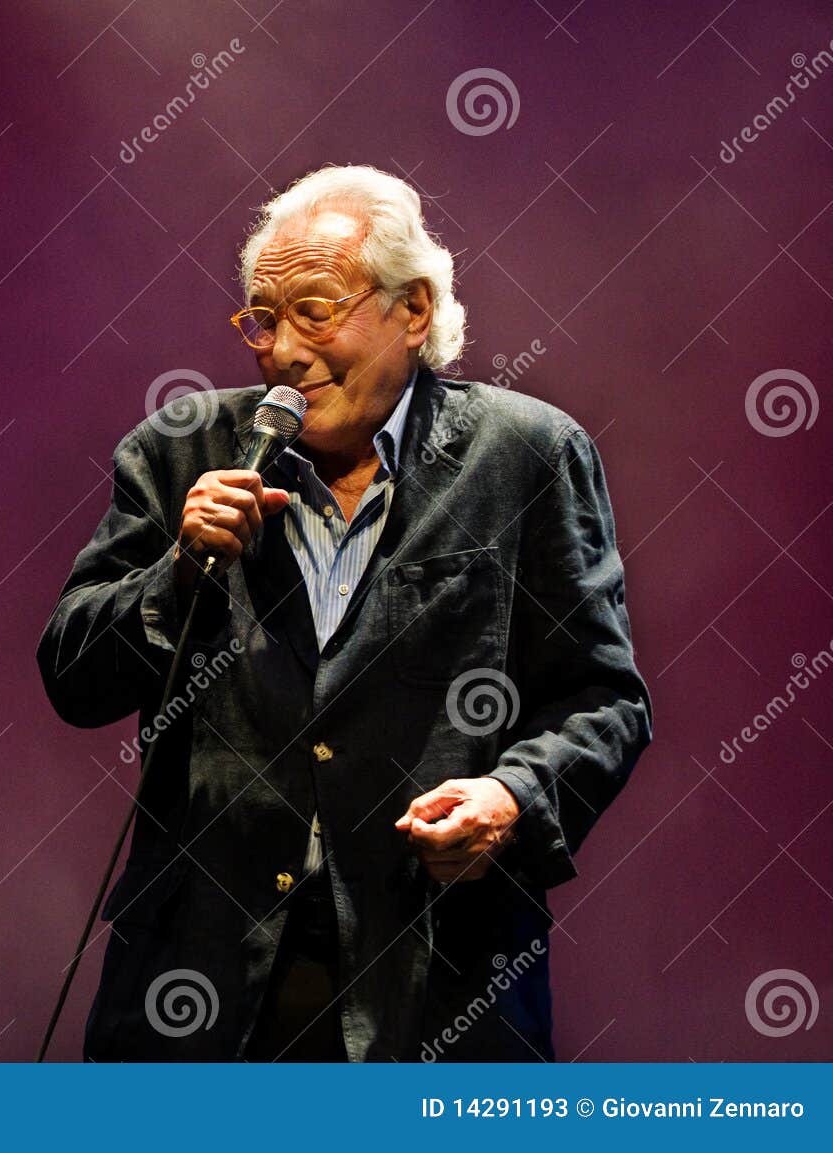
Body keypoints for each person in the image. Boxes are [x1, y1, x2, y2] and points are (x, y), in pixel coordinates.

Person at [36, 164, 652, 1061]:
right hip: (198, 988)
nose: (284, 350)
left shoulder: (526, 456)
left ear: (413, 309)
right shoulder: (181, 450)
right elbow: (74, 677)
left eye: (315, 311)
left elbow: (604, 699)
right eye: (263, 317)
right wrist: (178, 570)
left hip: (431, 980)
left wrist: (511, 796)